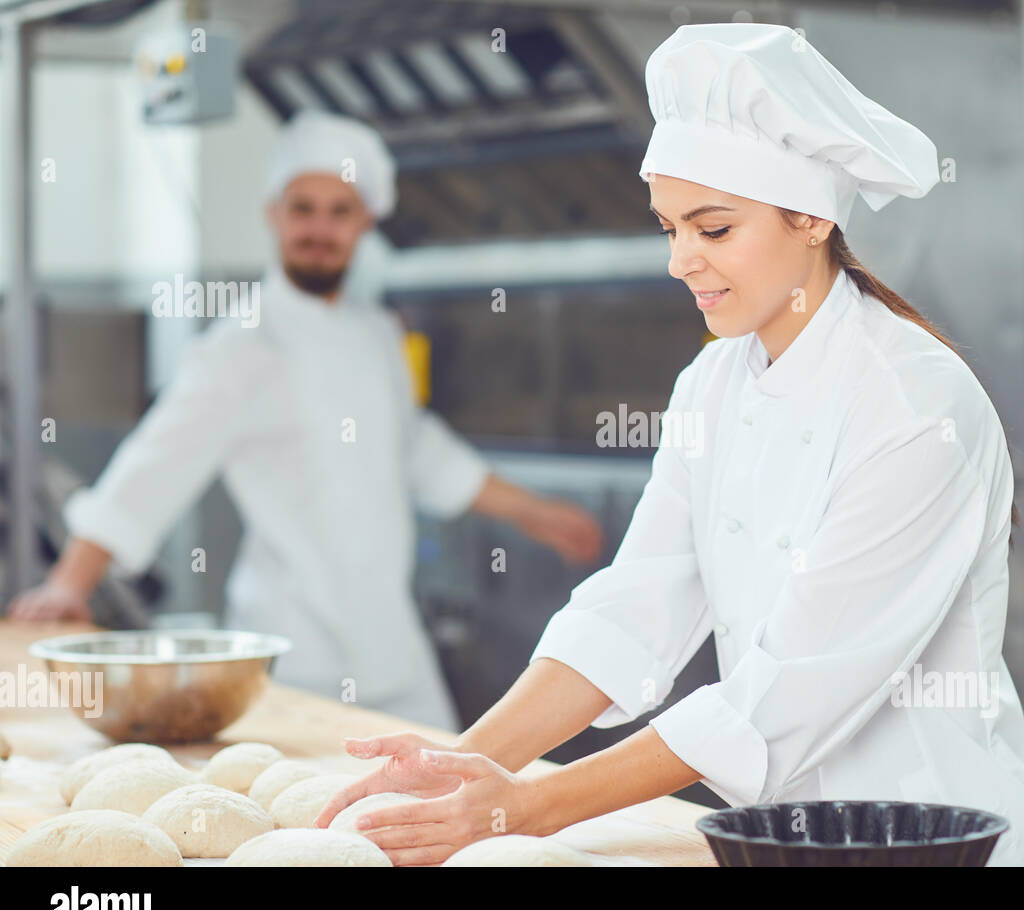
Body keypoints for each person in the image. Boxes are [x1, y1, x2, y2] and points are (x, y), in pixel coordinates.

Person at [315, 23, 1024, 866]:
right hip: (789, 844)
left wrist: (532, 807)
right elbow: (635, 611)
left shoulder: (914, 408)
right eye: (669, 226)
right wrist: (468, 764)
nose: (682, 260)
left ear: (812, 219)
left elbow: (782, 697)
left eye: (713, 230)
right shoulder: (714, 383)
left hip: (939, 839)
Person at [7, 110, 604, 732]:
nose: (319, 229)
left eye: (339, 212)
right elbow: (154, 463)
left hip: (396, 652)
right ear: (273, 214)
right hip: (295, 658)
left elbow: (417, 450)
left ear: (365, 223)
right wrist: (69, 584)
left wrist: (535, 512)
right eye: (303, 209)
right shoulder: (242, 347)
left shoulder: (375, 333)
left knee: (446, 801)